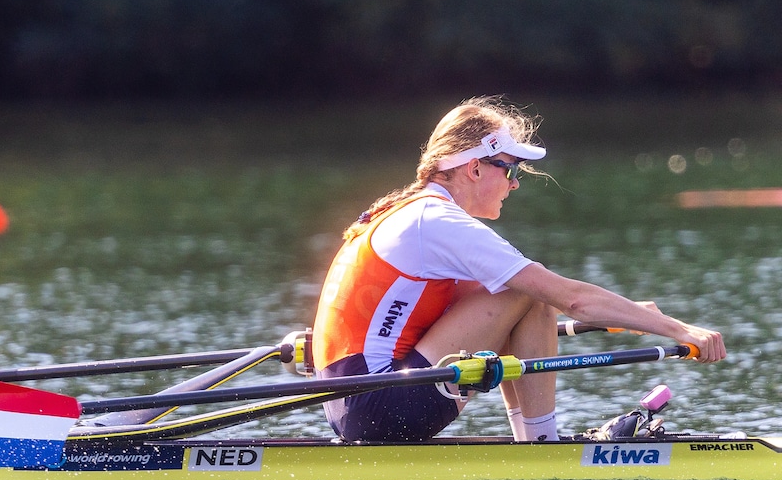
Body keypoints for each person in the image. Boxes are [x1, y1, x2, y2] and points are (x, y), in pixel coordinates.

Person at [310, 96, 726, 443]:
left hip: (357, 404)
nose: (515, 184)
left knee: (522, 294)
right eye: (508, 169)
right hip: (380, 405)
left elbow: (494, 311)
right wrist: (678, 330)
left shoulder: (409, 212)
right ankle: (542, 445)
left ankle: (534, 443)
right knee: (529, 289)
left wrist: (629, 314)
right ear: (474, 168)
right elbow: (567, 297)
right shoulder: (437, 221)